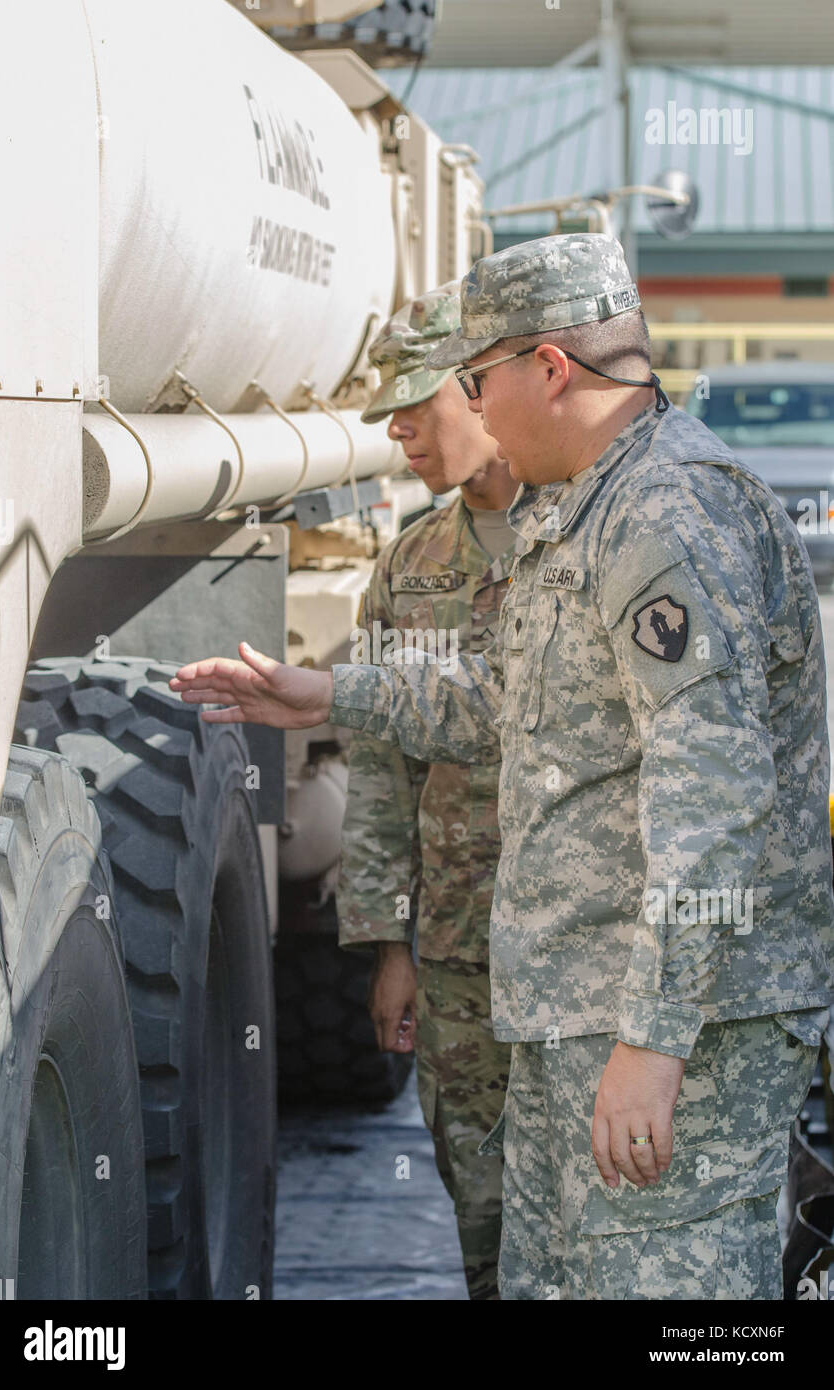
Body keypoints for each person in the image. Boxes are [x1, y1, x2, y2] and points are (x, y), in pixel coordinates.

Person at [169, 233, 834, 1300]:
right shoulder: (583, 509)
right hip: (576, 1011)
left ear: (550, 368)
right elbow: (510, 704)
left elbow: (714, 795)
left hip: (669, 1026)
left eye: (477, 381)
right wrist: (332, 693)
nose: (472, 411)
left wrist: (654, 1044)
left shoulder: (666, 511)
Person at [337, 283, 517, 1300]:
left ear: (482, 386)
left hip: (592, 962)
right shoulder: (407, 569)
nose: (399, 429)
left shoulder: (593, 542)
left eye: (418, 400)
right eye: (388, 412)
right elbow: (376, 771)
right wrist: (388, 946)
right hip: (456, 960)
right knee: (481, 1209)